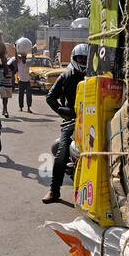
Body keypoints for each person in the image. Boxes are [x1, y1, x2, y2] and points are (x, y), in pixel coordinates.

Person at [42, 43, 88, 205]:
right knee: (61, 154)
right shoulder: (66, 75)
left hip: (92, 121)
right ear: (74, 59)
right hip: (72, 122)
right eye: (80, 58)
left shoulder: (96, 75)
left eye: (85, 58)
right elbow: (50, 97)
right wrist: (63, 111)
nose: (82, 61)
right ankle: (54, 191)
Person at [0, 55, 15, 119]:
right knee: (4, 97)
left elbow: (14, 71)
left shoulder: (10, 66)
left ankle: (4, 109)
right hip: (2, 84)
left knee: (6, 98)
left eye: (5, 59)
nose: (4, 60)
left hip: (8, 84)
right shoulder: (0, 66)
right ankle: (5, 110)